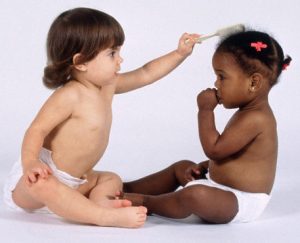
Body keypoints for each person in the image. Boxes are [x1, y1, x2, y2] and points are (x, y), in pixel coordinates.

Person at [3, 7, 199, 228]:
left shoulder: (108, 84)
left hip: (76, 182)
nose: (120, 59)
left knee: (110, 179)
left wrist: (179, 53)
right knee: (43, 186)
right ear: (80, 62)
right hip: (41, 179)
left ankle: (97, 203)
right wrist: (30, 163)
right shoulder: (69, 95)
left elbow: (146, 73)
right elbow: (36, 129)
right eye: (112, 53)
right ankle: (102, 216)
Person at [121, 30, 292, 224]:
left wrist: (205, 110)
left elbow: (215, 149)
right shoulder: (247, 111)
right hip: (219, 186)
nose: (216, 83)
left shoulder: (257, 118)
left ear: (253, 82)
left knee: (195, 195)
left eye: (222, 77)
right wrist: (206, 167)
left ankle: (146, 202)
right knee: (182, 167)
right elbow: (234, 154)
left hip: (240, 201)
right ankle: (128, 187)